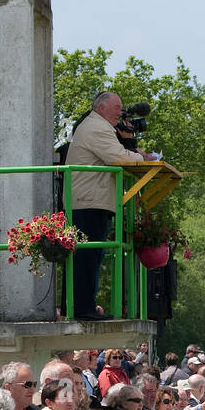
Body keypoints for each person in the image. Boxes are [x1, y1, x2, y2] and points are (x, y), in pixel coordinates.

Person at [66, 91, 151, 320]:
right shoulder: (97, 127)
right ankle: (82, 309)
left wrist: (132, 148)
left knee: (92, 255)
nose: (120, 113)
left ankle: (85, 307)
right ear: (101, 108)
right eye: (117, 107)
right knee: (87, 256)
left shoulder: (98, 127)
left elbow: (120, 153)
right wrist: (144, 158)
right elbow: (119, 157)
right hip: (88, 201)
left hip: (92, 200)